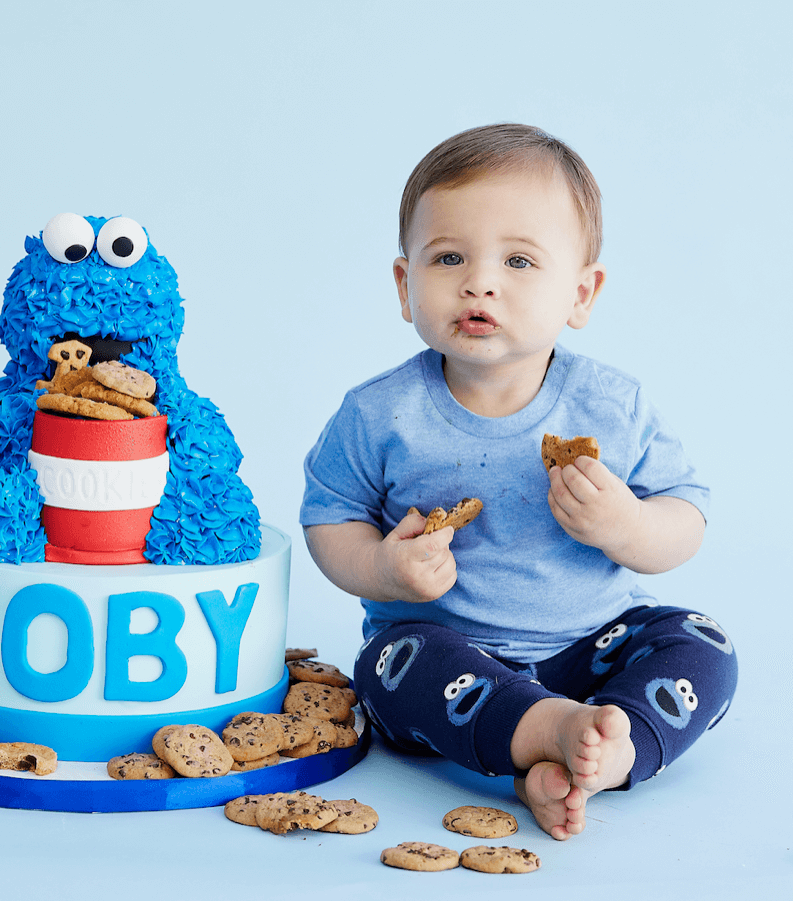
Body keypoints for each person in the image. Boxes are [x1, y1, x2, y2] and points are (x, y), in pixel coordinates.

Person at [299, 123, 737, 840]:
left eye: (520, 261)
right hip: (451, 654)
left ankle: (610, 746)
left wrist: (629, 528)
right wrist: (382, 566)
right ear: (406, 287)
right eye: (448, 257)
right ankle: (551, 733)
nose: (480, 281)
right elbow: (329, 520)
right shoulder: (379, 414)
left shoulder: (612, 405)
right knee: (388, 667)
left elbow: (686, 512)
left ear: (581, 293)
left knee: (703, 643)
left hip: (594, 644)